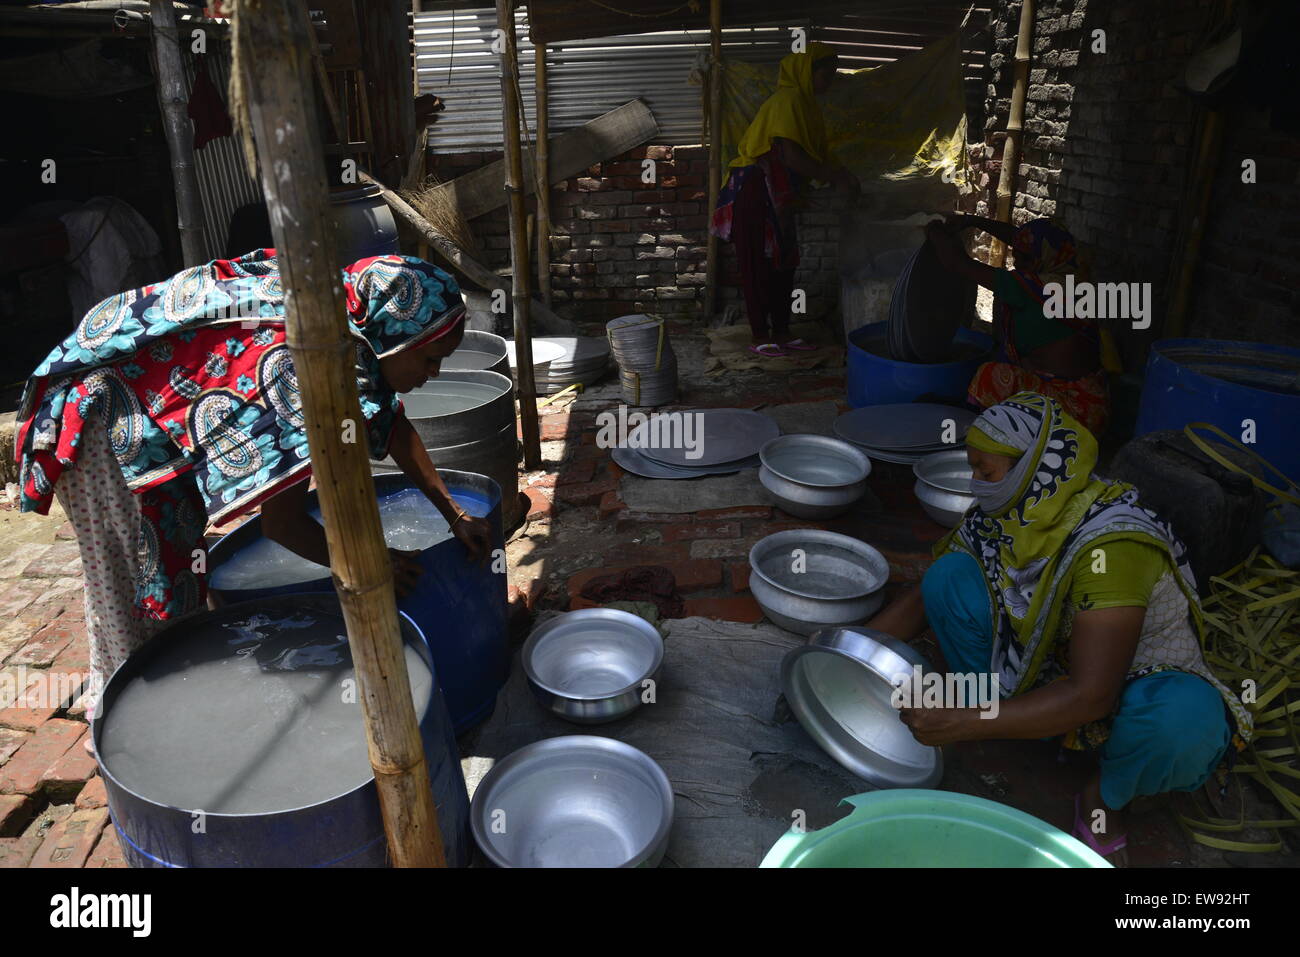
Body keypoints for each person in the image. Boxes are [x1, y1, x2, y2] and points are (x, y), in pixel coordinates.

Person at [15, 250, 493, 723]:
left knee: (179, 571)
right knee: (128, 591)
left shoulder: (353, 329)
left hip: (150, 404)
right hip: (101, 417)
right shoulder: (300, 366)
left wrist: (453, 513)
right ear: (396, 340)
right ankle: (124, 722)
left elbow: (390, 423)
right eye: (432, 360)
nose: (434, 375)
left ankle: (177, 690)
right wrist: (375, 564)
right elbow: (280, 525)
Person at [867, 392, 1251, 863]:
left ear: (1035, 466)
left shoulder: (1110, 548)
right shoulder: (1012, 512)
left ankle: (1104, 795)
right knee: (950, 579)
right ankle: (1017, 722)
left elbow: (1093, 694)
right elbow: (923, 595)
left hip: (1130, 684)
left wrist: (967, 722)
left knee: (1184, 723)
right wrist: (854, 652)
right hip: (1045, 666)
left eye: (986, 472)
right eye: (974, 469)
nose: (976, 484)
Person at [710, 42, 860, 358]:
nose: (830, 80)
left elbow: (814, 154)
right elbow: (791, 157)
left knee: (784, 263)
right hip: (755, 189)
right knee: (758, 264)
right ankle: (760, 334)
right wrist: (837, 177)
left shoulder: (807, 107)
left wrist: (842, 173)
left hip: (777, 195)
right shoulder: (788, 101)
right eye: (826, 73)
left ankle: (782, 330)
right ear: (807, 73)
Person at [923, 215, 1114, 436]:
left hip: (1074, 415)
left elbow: (956, 263)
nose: (1016, 264)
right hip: (1094, 404)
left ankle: (974, 434)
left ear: (1038, 259)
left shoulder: (1033, 288)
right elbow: (1020, 239)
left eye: (1023, 259)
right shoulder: (1072, 271)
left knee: (991, 375)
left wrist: (934, 230)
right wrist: (973, 221)